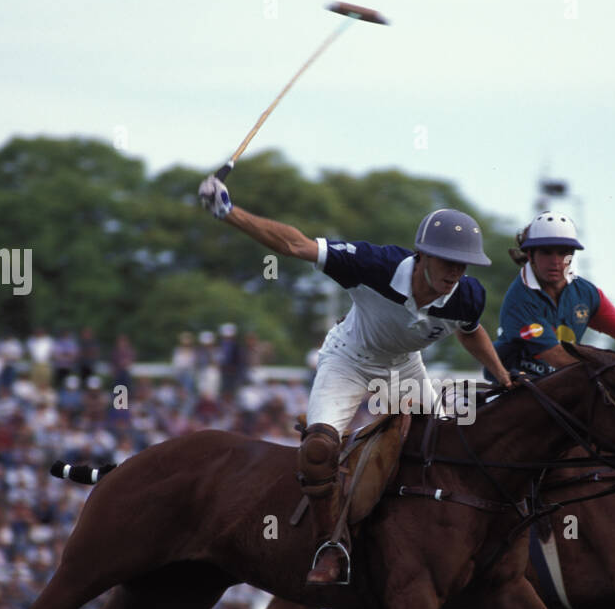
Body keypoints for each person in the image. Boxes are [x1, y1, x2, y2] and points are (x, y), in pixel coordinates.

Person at [199, 174, 512, 584]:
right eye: (446, 260)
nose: (455, 272)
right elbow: (296, 245)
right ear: (421, 255)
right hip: (348, 361)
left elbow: (471, 332)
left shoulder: (469, 295)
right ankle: (331, 547)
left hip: (404, 367)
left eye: (462, 264)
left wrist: (503, 378)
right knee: (318, 449)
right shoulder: (373, 265)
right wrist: (228, 211)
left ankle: (425, 541)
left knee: (441, 451)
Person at [494, 211, 615, 376]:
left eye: (563, 253)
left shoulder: (586, 293)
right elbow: (556, 357)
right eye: (546, 252)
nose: (555, 262)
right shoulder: (520, 300)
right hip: (516, 386)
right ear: (530, 255)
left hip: (562, 382)